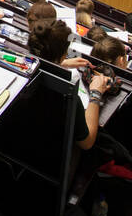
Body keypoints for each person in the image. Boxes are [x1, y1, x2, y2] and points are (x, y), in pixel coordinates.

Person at [27, 20, 110, 150]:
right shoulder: (67, 93)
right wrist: (95, 93)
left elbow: (42, 62)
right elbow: (86, 143)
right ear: (63, 53)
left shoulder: (22, 68)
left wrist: (60, 63)